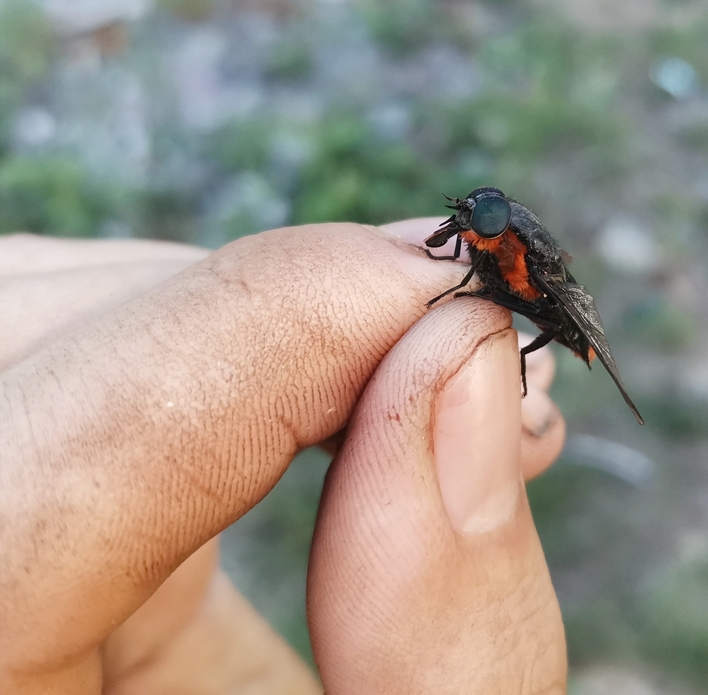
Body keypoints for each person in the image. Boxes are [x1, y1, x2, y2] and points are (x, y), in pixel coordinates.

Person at [0, 219, 569, 694]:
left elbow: (514, 280)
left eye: (477, 220)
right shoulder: (488, 235)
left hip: (549, 306)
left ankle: (522, 364)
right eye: (466, 218)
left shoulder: (516, 253)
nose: (465, 224)